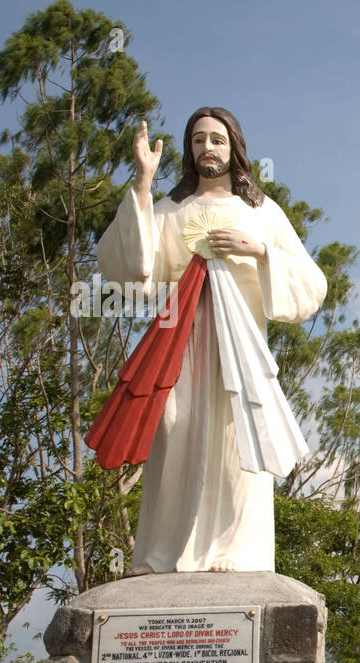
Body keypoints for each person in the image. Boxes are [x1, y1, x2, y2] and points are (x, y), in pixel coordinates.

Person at [90, 107, 326, 574]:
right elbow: (132, 268)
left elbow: (311, 284)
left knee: (234, 435)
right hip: (180, 341)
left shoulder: (259, 209)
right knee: (172, 432)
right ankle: (162, 551)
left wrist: (259, 250)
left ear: (233, 145)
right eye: (198, 140)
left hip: (236, 342)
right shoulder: (171, 209)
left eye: (216, 139)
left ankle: (235, 548)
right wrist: (142, 181)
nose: (207, 149)